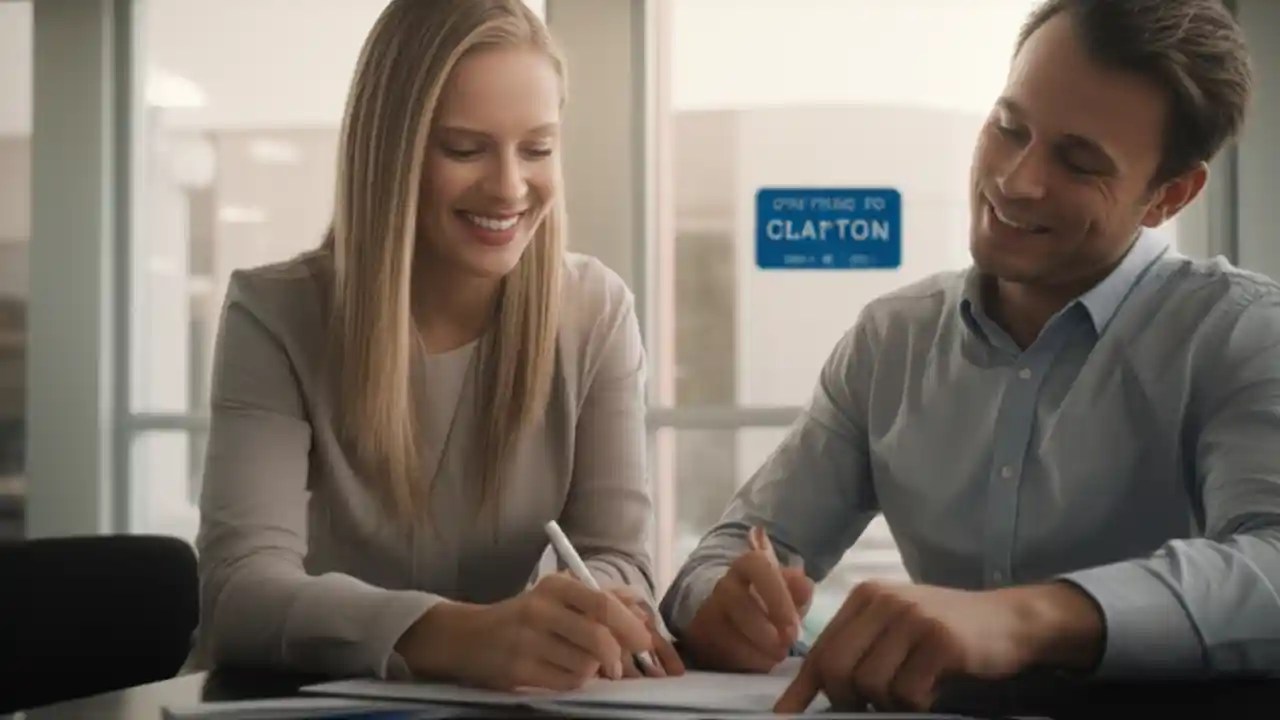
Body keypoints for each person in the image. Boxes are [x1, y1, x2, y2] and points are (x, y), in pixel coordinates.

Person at [661, 0, 1277, 712]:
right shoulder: (892, 340)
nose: (1016, 180)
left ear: (1169, 196)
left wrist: (1026, 618)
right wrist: (722, 603)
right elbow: (731, 551)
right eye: (1008, 128)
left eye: (1079, 162)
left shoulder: (1240, 334)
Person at [183, 0, 683, 690]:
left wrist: (599, 606)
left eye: (537, 148)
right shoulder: (276, 315)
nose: (510, 186)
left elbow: (618, 558)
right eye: (465, 148)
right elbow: (238, 593)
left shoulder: (594, 312)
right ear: (391, 154)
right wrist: (460, 635)